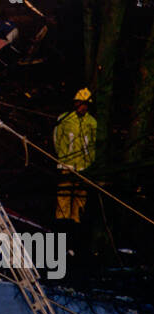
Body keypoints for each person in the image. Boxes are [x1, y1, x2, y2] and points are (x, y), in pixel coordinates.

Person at [53, 88, 96, 224]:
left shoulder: (92, 122)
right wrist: (61, 156)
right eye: (80, 103)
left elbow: (94, 144)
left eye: (85, 104)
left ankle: (77, 222)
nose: (82, 107)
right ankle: (62, 223)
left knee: (80, 197)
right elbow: (57, 138)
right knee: (64, 195)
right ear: (75, 103)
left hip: (84, 167)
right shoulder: (64, 119)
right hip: (66, 164)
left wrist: (90, 162)